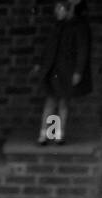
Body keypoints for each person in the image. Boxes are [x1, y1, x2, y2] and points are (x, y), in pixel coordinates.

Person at [34, 0, 93, 144]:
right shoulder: (56, 27)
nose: (58, 11)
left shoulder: (78, 27)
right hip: (53, 69)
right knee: (50, 101)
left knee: (63, 103)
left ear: (69, 11)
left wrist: (78, 71)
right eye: (57, 9)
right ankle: (45, 134)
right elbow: (48, 47)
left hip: (67, 71)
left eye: (61, 9)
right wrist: (40, 63)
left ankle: (58, 134)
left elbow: (82, 51)